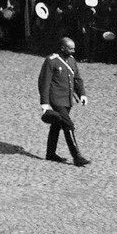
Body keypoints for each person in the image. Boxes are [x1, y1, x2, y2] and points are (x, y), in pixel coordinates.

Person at [38, 37, 90, 167]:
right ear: (63, 48)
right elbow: (44, 82)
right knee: (68, 125)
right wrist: (44, 103)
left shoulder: (72, 61)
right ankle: (76, 156)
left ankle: (50, 153)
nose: (73, 51)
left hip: (67, 100)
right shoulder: (51, 61)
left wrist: (82, 94)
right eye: (70, 48)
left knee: (56, 125)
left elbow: (77, 79)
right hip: (56, 100)